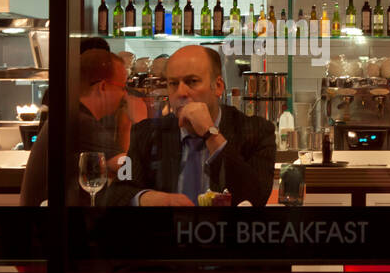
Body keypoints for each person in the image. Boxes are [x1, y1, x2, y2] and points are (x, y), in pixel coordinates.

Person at [107, 45, 275, 207]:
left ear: (217, 86)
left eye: (192, 81)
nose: (181, 92)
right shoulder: (148, 133)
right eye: (173, 84)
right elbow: (117, 193)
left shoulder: (255, 131)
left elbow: (255, 198)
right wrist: (150, 199)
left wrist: (211, 135)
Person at [21, 49, 127, 207]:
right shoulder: (82, 122)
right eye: (123, 87)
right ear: (103, 87)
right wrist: (132, 122)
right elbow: (127, 166)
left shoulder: (72, 114)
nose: (124, 95)